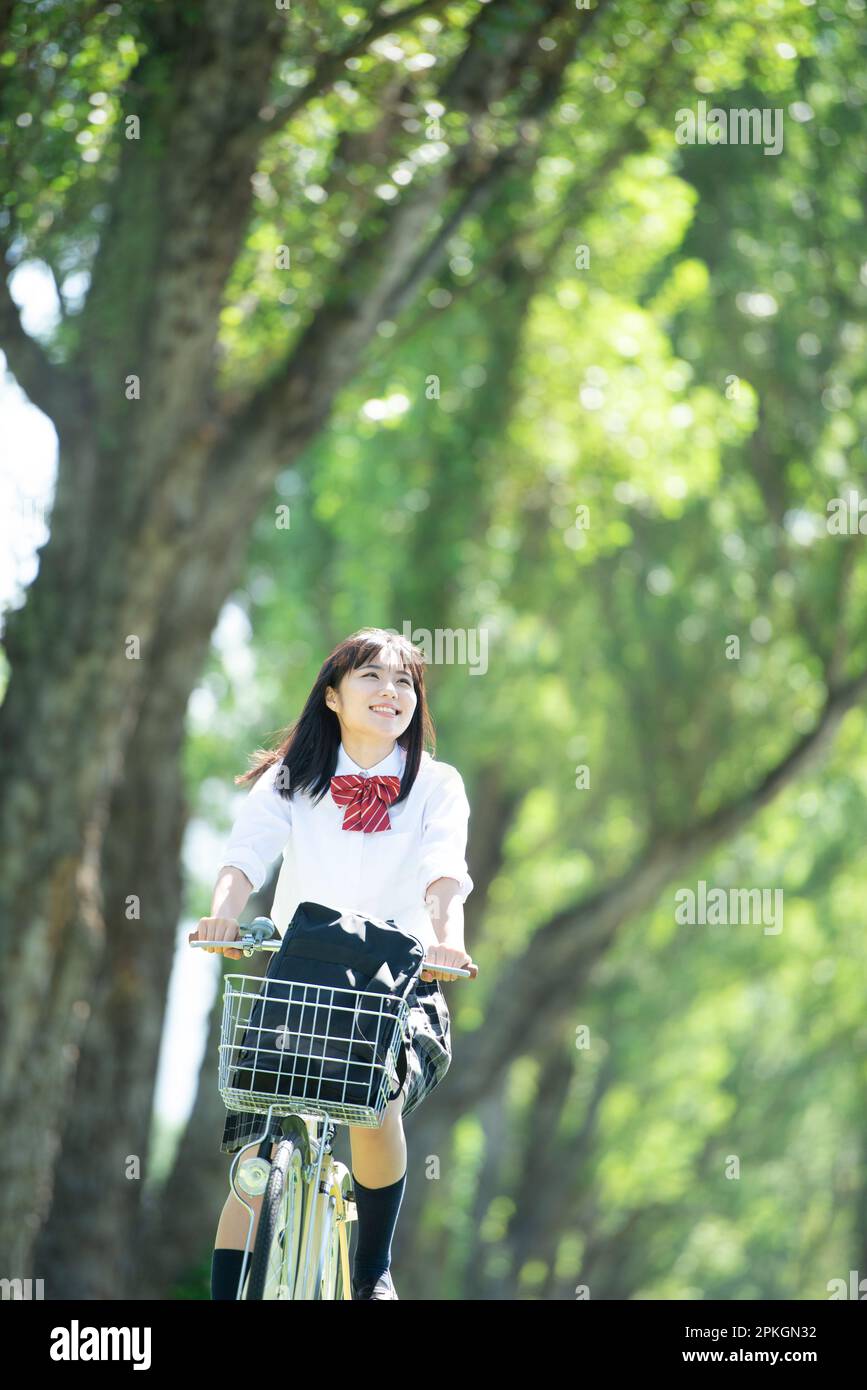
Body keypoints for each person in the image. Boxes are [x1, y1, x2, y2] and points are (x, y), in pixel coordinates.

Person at [190, 626, 475, 1300]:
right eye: (371, 677)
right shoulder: (293, 777)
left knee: (374, 1102)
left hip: (399, 982)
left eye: (404, 680)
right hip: (305, 979)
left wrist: (447, 940)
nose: (390, 691)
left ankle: (372, 1272)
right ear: (332, 696)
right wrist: (223, 915)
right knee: (256, 1160)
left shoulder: (436, 784)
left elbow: (443, 872)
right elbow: (245, 855)